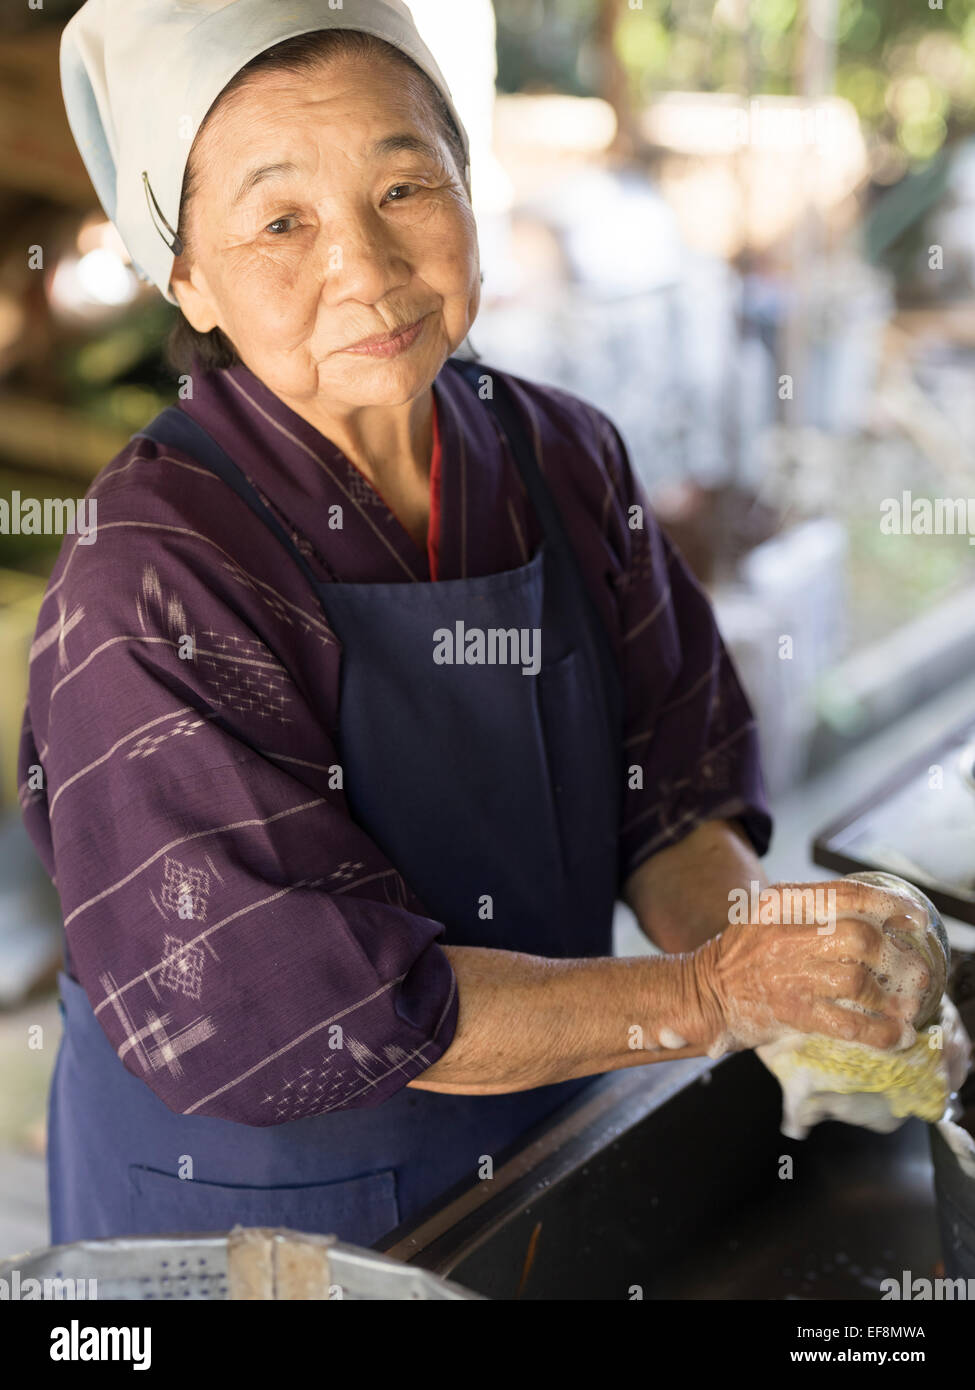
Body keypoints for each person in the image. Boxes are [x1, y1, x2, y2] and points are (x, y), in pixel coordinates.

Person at [20, 0, 931, 1247]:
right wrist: (706, 995)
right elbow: (291, 1001)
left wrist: (779, 960)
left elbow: (672, 795)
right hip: (263, 1221)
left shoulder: (561, 455)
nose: (367, 268)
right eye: (282, 220)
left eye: (405, 188)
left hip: (548, 1141)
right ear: (184, 271)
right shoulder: (151, 575)